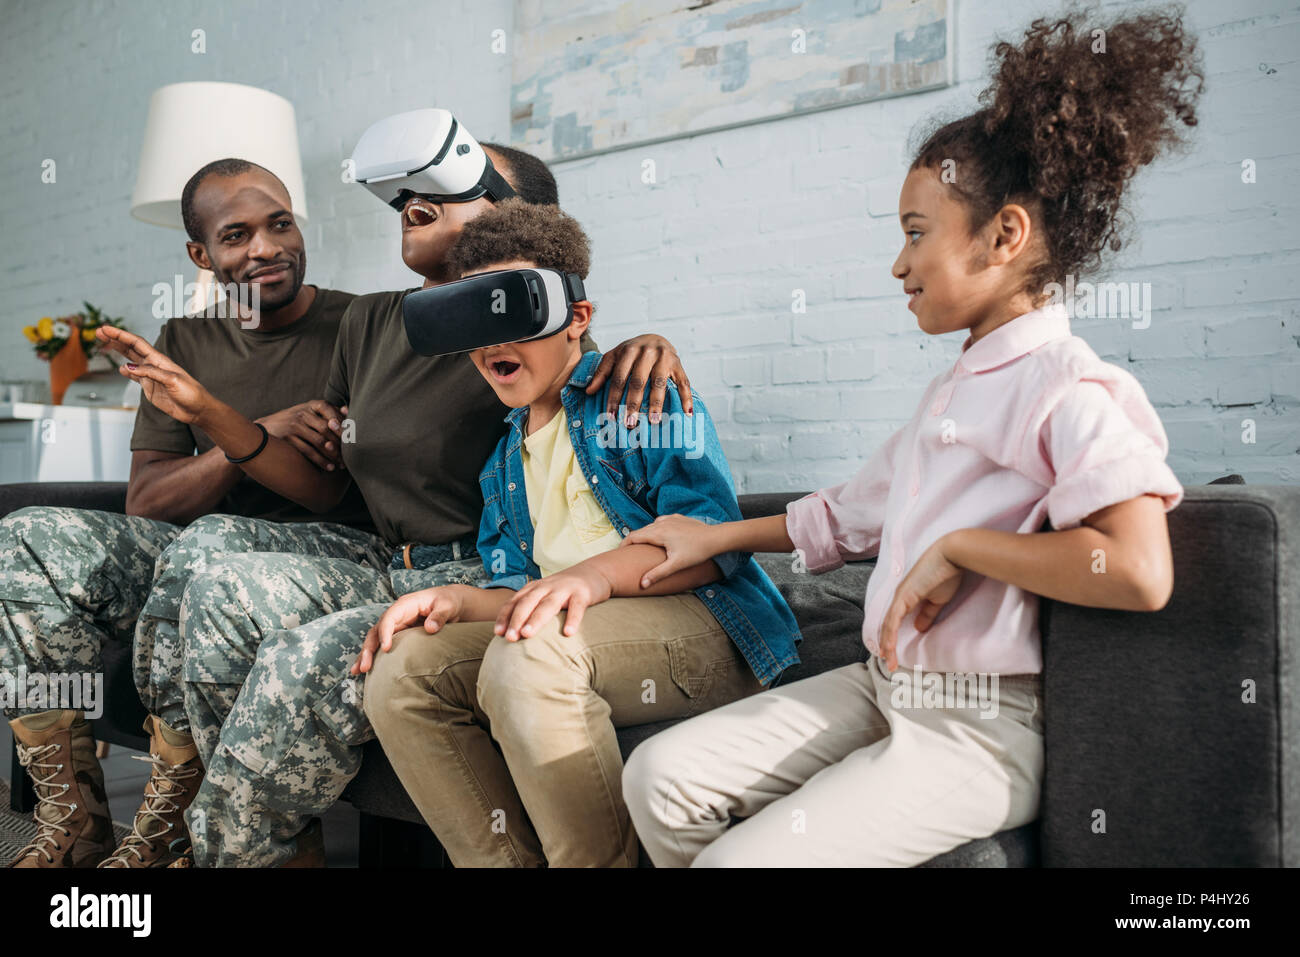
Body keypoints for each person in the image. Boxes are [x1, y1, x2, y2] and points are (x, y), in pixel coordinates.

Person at [619, 8, 1202, 866]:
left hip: (977, 725)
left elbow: (1140, 568)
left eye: (916, 234)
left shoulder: (1068, 386)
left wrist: (968, 548)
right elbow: (847, 514)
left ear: (1005, 235)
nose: (898, 265)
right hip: (882, 685)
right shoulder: (953, 390)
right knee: (657, 776)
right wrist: (713, 535)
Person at [102, 140, 698, 866]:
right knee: (213, 573)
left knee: (300, 659)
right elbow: (324, 482)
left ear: (517, 223)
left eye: (454, 187)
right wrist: (211, 411)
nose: (417, 197)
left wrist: (646, 343)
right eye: (416, 189)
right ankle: (224, 824)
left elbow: (580, 376)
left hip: (479, 576)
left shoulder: (528, 329)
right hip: (388, 560)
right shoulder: (373, 321)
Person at [358, 198, 801, 866]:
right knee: (401, 671)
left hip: (704, 624)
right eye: (478, 318)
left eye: (516, 312)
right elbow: (522, 592)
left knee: (532, 653)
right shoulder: (503, 460)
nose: (494, 341)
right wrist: (453, 600)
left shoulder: (640, 395)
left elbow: (712, 544)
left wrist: (590, 578)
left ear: (577, 320)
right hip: (573, 633)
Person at [0, 158, 373, 868]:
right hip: (194, 555)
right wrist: (248, 431)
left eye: (280, 224)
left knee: (210, 540)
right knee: (27, 536)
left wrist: (226, 427)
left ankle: (172, 818)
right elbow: (147, 500)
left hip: (329, 556)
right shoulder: (186, 342)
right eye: (237, 235)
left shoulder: (361, 323)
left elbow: (327, 490)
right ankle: (73, 818)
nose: (266, 247)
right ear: (201, 256)